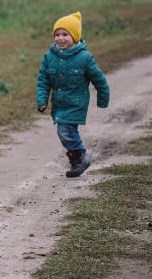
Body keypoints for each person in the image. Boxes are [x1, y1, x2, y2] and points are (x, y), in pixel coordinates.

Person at [36, 11, 110, 177]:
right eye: (57, 34)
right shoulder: (49, 57)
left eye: (65, 34)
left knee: (65, 131)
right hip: (59, 104)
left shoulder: (84, 58)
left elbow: (99, 79)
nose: (60, 38)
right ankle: (76, 159)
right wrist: (42, 100)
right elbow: (43, 81)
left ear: (75, 37)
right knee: (66, 132)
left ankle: (80, 156)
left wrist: (103, 98)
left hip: (76, 103)